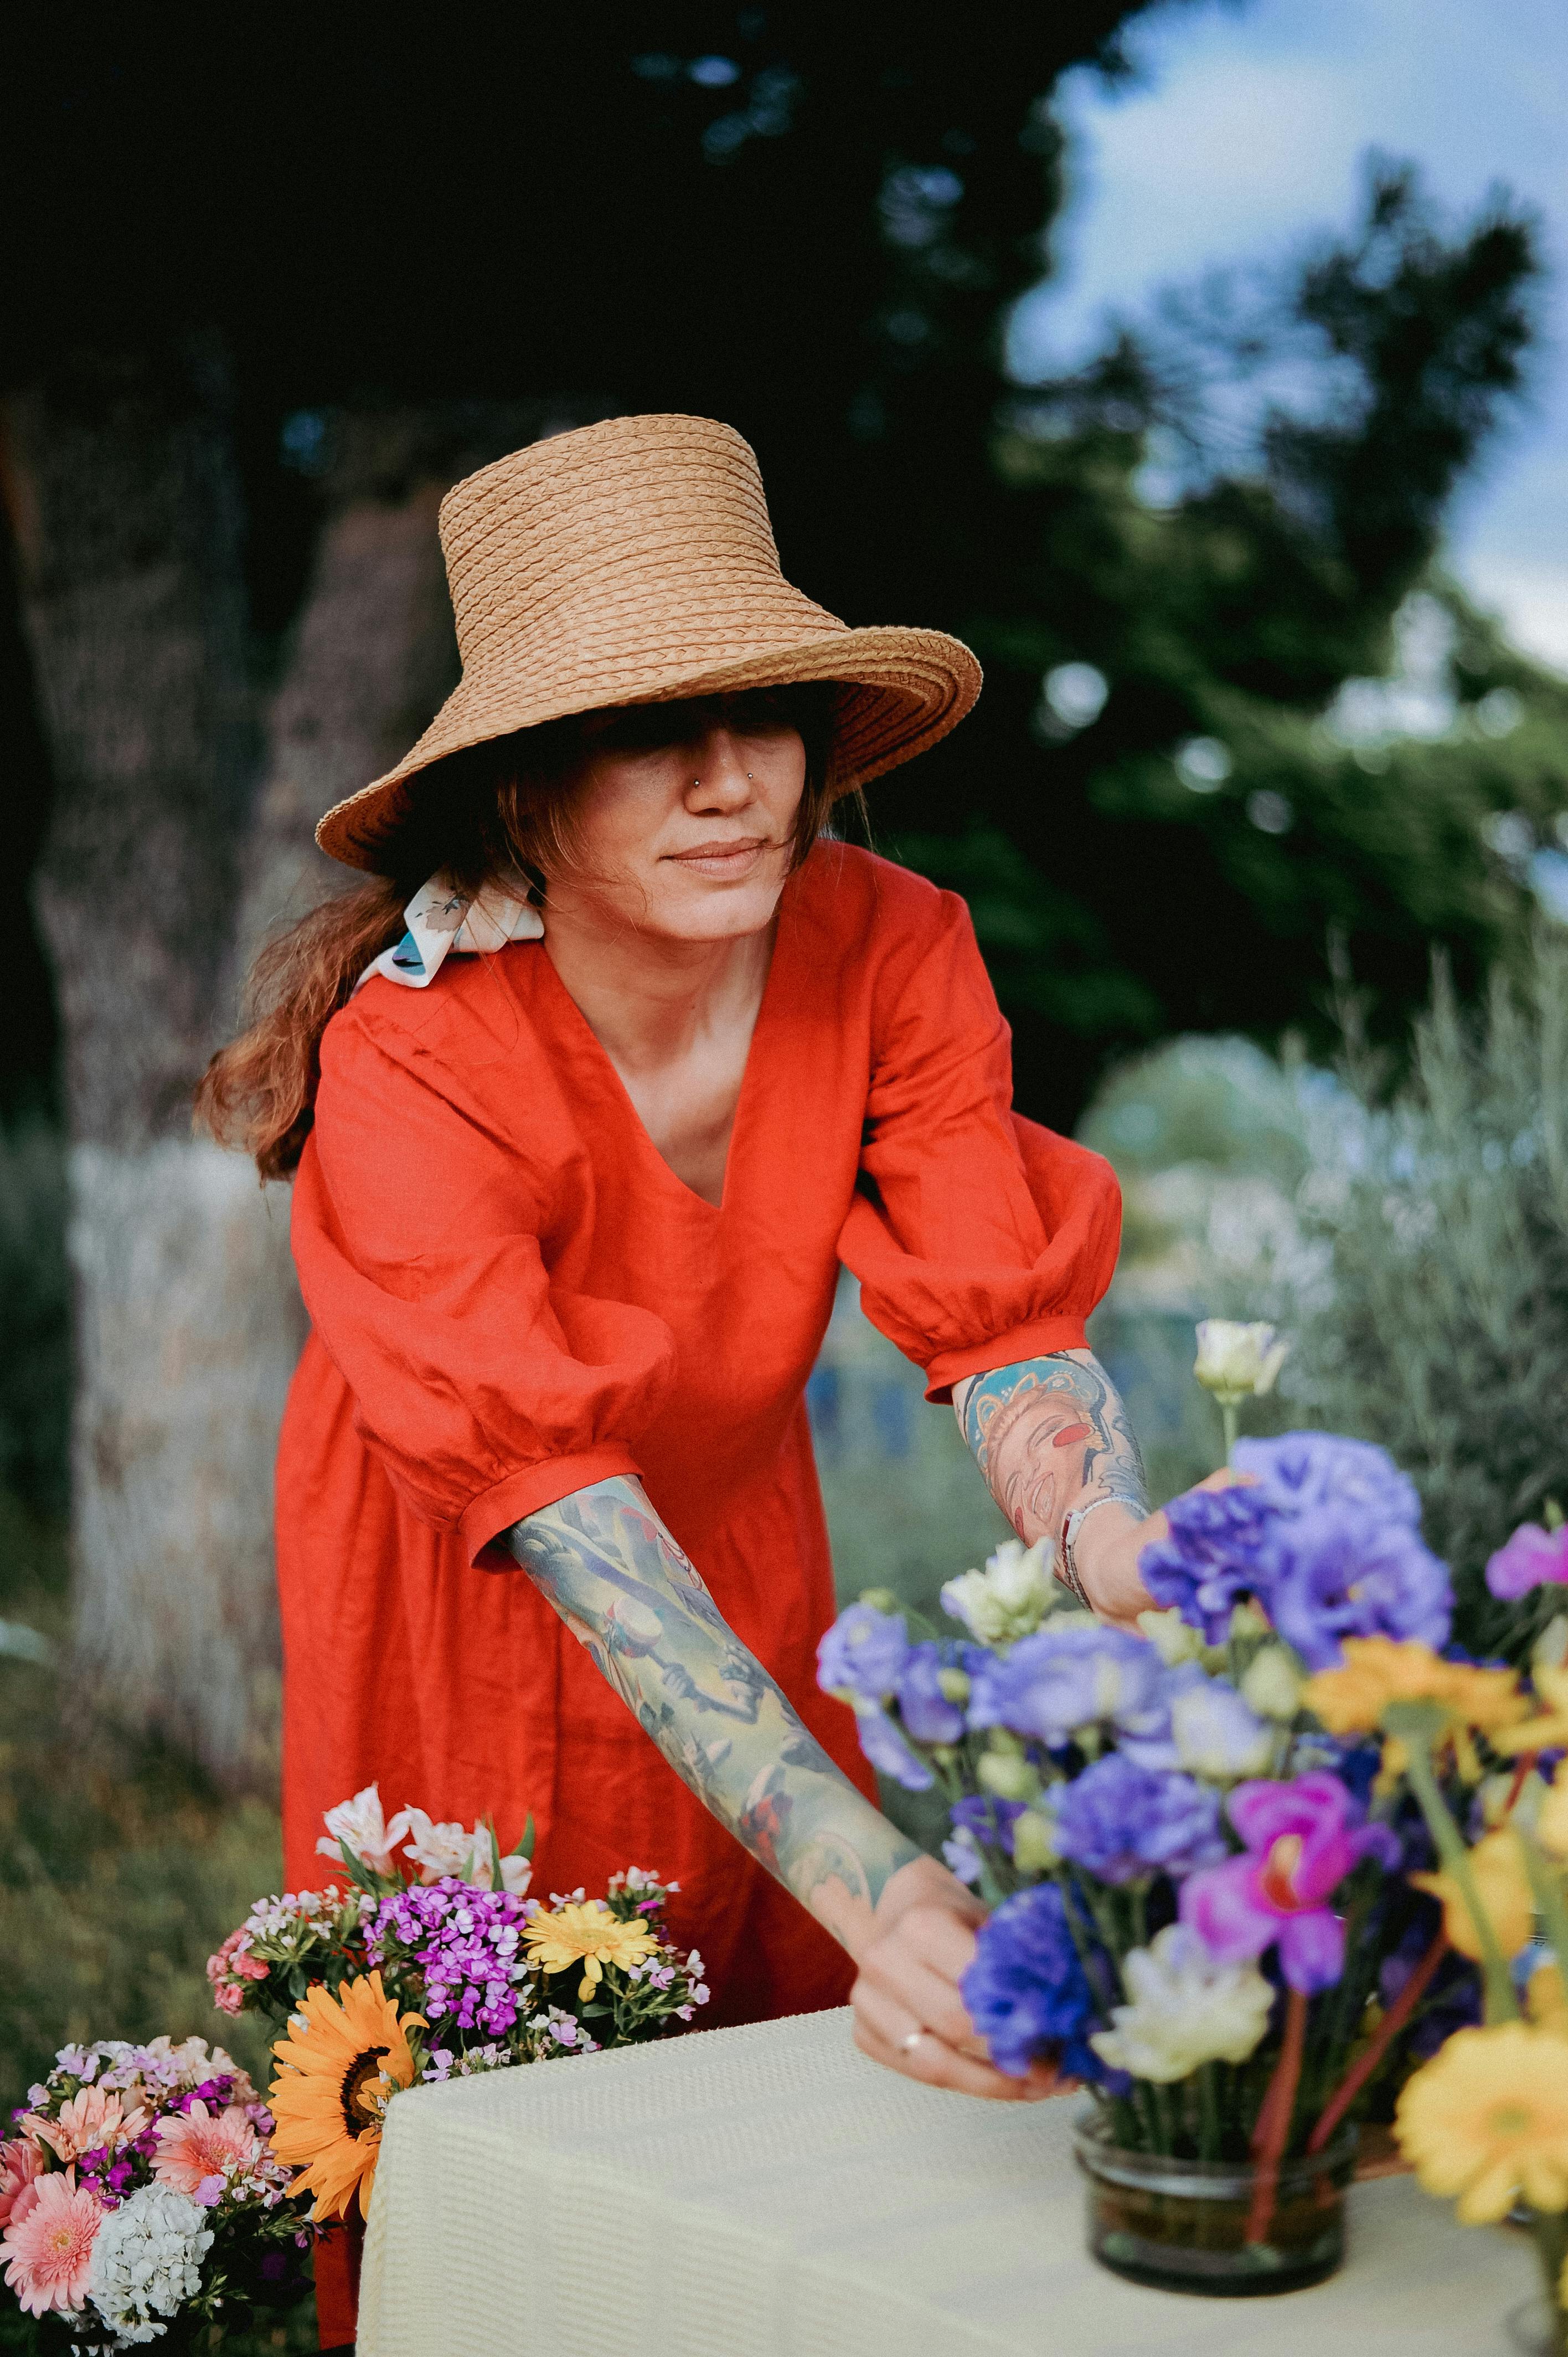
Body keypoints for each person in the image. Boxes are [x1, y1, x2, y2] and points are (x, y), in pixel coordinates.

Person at [201, 411, 1168, 2150]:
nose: (731, 781)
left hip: (737, 1520)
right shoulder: (413, 1061)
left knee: (786, 2048)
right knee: (500, 2069)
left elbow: (1005, 1316)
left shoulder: (895, 944)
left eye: (767, 720)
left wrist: (1131, 1565)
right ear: (525, 786)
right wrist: (885, 1885)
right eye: (652, 735)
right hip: (470, 1559)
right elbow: (561, 1507)